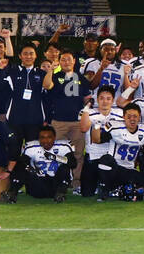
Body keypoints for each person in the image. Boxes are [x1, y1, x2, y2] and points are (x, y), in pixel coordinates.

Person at [42, 50, 93, 190]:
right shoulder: (55, 76)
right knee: (56, 153)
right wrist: (50, 71)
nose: (66, 62)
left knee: (78, 154)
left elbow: (87, 98)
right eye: (63, 59)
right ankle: (56, 181)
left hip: (77, 123)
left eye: (68, 59)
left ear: (74, 61)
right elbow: (46, 86)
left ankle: (75, 183)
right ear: (59, 61)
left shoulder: (81, 78)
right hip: (58, 122)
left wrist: (87, 110)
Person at [12, 125, 75, 202]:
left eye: (49, 137)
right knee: (21, 168)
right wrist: (32, 169)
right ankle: (12, 193)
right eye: (42, 137)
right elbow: (21, 163)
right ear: (39, 139)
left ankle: (60, 194)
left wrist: (55, 157)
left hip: (56, 185)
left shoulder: (64, 146)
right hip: (38, 184)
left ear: (54, 138)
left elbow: (73, 163)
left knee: (64, 168)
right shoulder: (31, 147)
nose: (46, 141)